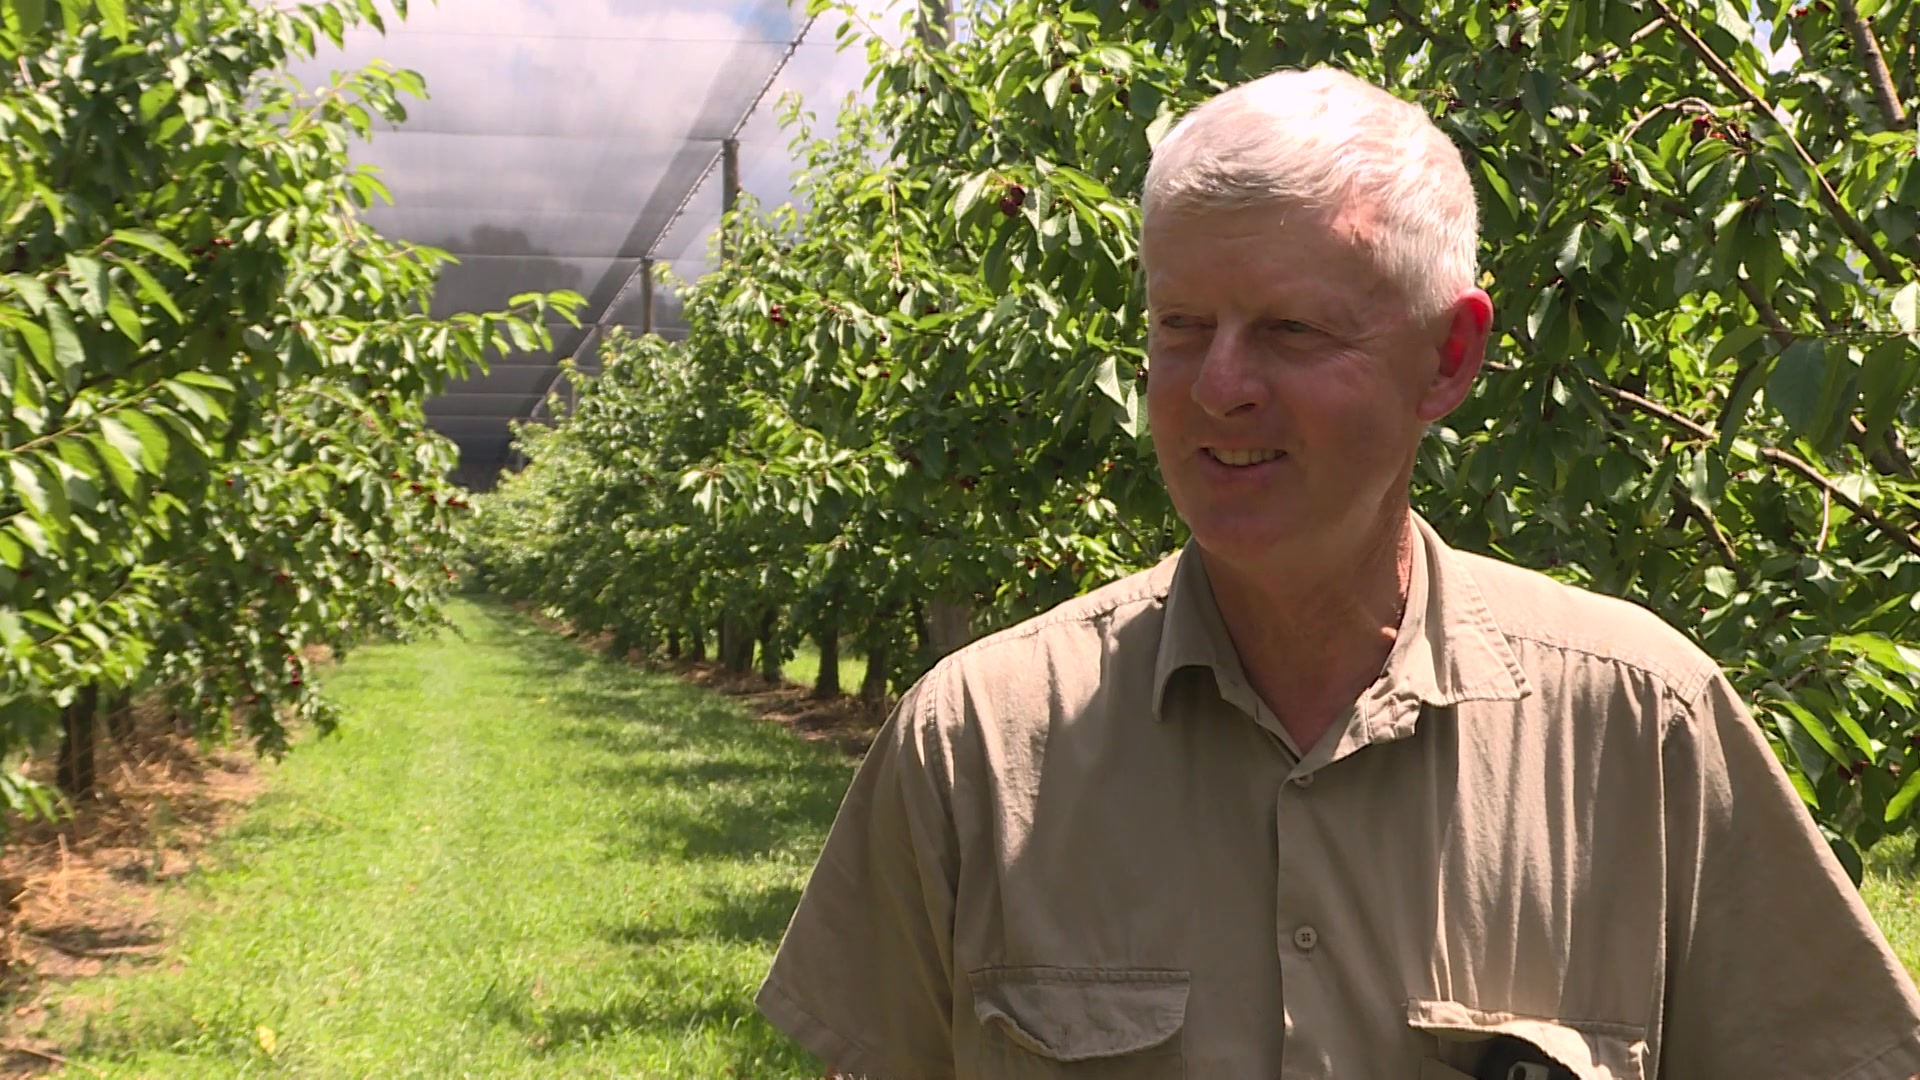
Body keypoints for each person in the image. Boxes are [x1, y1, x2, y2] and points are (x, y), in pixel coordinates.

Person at [755, 66, 1920, 1079]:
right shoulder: (977, 743)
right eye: (1179, 325)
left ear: (1450, 356)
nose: (1216, 387)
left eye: (1292, 333)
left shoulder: (1640, 726)